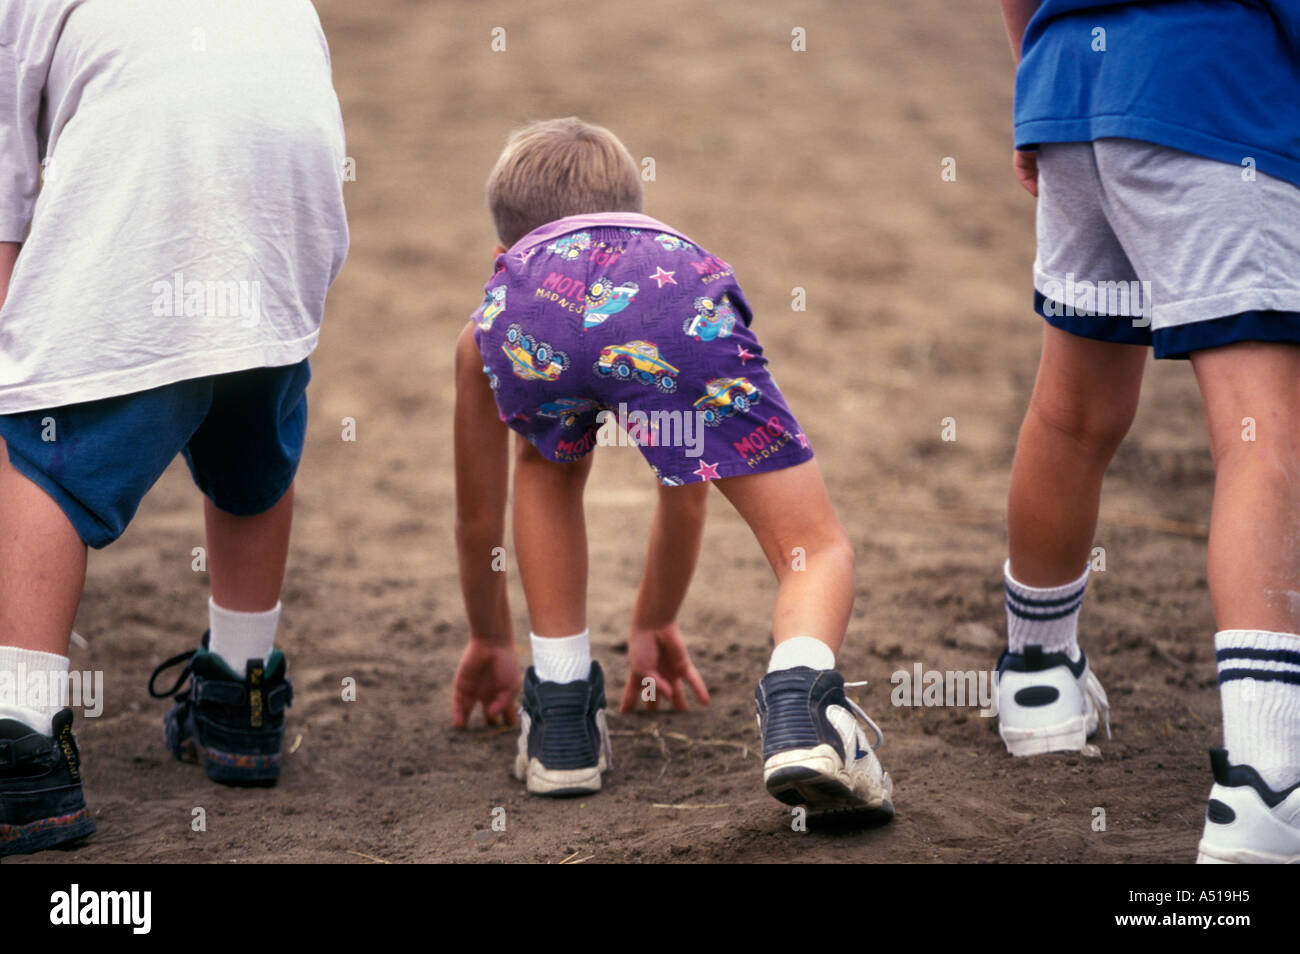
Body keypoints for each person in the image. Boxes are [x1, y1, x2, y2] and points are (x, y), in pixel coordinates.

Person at [454, 117, 892, 818]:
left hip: (535, 325)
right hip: (673, 308)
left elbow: (478, 516)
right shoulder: (660, 263)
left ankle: (561, 716)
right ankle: (801, 703)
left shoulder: (497, 311)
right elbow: (685, 485)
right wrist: (654, 621)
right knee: (816, 547)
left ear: (504, 257)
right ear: (634, 213)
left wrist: (488, 638)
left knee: (543, 468)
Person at [0, 0, 348, 856]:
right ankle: (242, 696)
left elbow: (6, 204)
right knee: (251, 432)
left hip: (154, 164)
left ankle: (23, 741)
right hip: (291, 190)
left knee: (43, 460)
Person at [997, 0, 1300, 862]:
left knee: (1073, 413)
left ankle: (1038, 681)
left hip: (1070, 96)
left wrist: (1035, 82)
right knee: (1261, 437)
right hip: (1216, 91)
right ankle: (1267, 784)